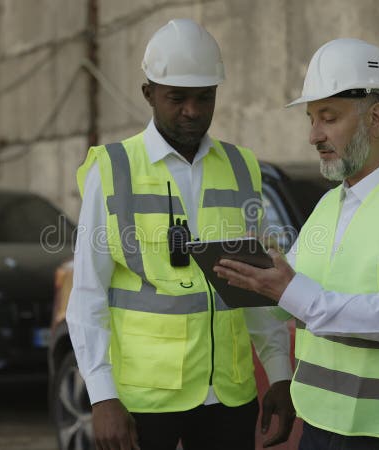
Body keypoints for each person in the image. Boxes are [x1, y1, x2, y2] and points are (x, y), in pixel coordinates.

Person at [214, 38, 379, 450]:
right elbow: (292, 297)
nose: (313, 135)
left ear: (375, 117)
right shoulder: (329, 204)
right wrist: (248, 269)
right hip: (321, 428)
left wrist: (289, 288)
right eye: (311, 119)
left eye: (328, 118)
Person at [66, 19, 294, 450]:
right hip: (143, 402)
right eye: (177, 98)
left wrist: (279, 374)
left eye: (204, 97)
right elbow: (88, 292)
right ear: (149, 94)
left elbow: (257, 286)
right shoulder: (114, 170)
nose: (192, 110)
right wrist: (102, 396)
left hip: (229, 396)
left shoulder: (241, 167)